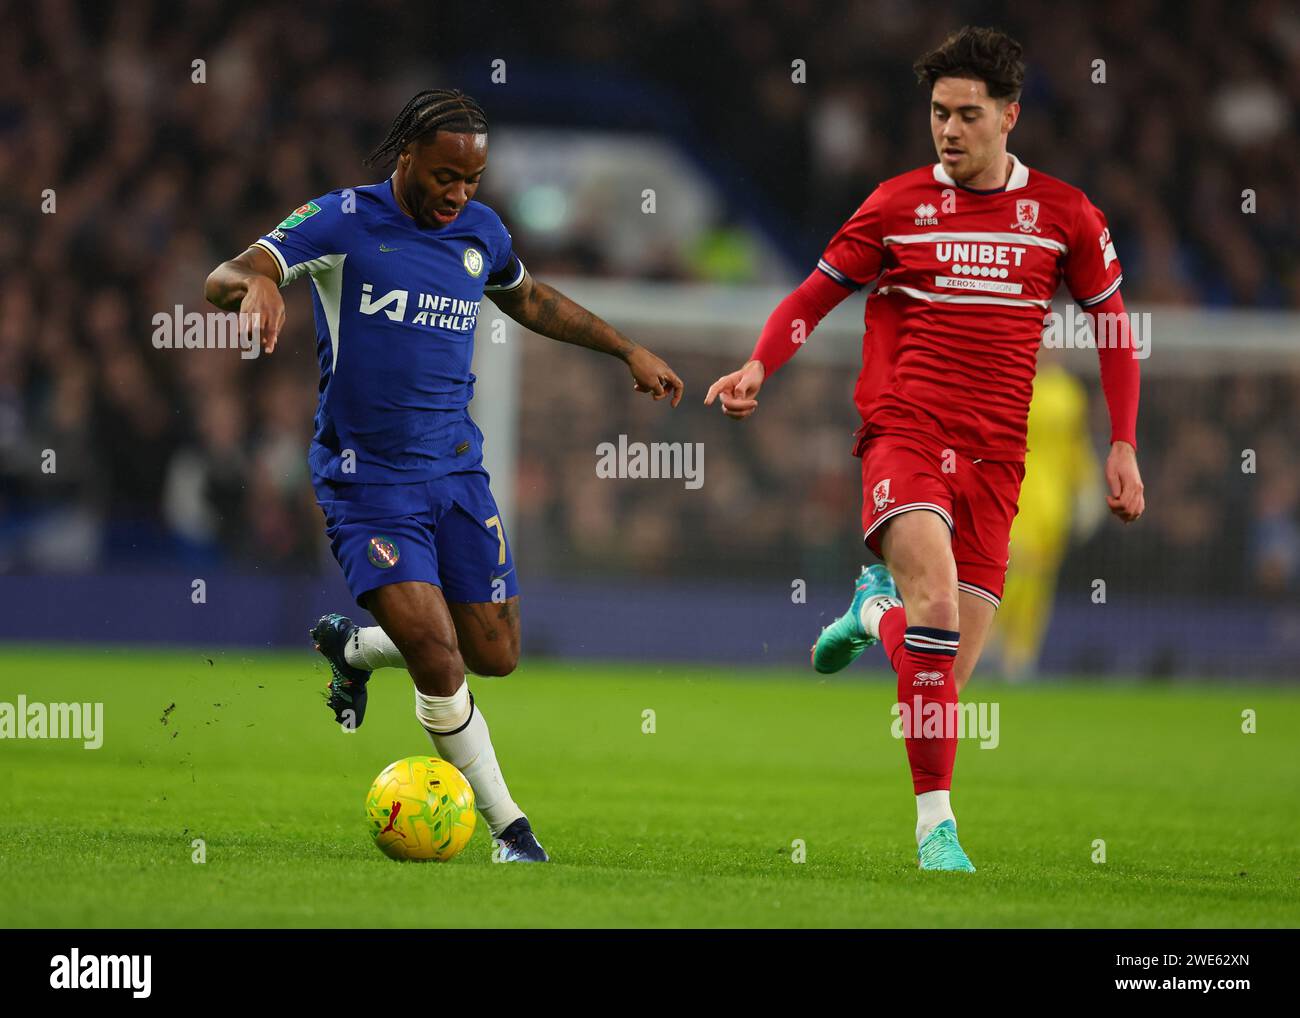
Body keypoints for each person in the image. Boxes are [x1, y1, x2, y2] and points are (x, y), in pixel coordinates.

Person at [205, 89, 684, 863]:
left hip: (457, 475)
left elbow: (528, 298)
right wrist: (256, 282)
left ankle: (355, 651)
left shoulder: (481, 232)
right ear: (407, 158)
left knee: (494, 653)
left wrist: (625, 348)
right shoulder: (342, 219)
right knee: (436, 654)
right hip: (368, 485)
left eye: (472, 180)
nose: (457, 194)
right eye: (443, 177)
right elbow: (226, 274)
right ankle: (511, 830)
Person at [705, 27, 1144, 871]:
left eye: (968, 115)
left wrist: (1122, 444)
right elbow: (814, 293)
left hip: (997, 460)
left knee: (939, 678)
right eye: (939, 113)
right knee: (937, 610)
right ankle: (936, 829)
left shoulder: (1064, 215)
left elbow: (1115, 331)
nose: (949, 130)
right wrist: (762, 361)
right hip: (905, 433)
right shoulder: (896, 204)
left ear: (1011, 116)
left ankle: (873, 609)